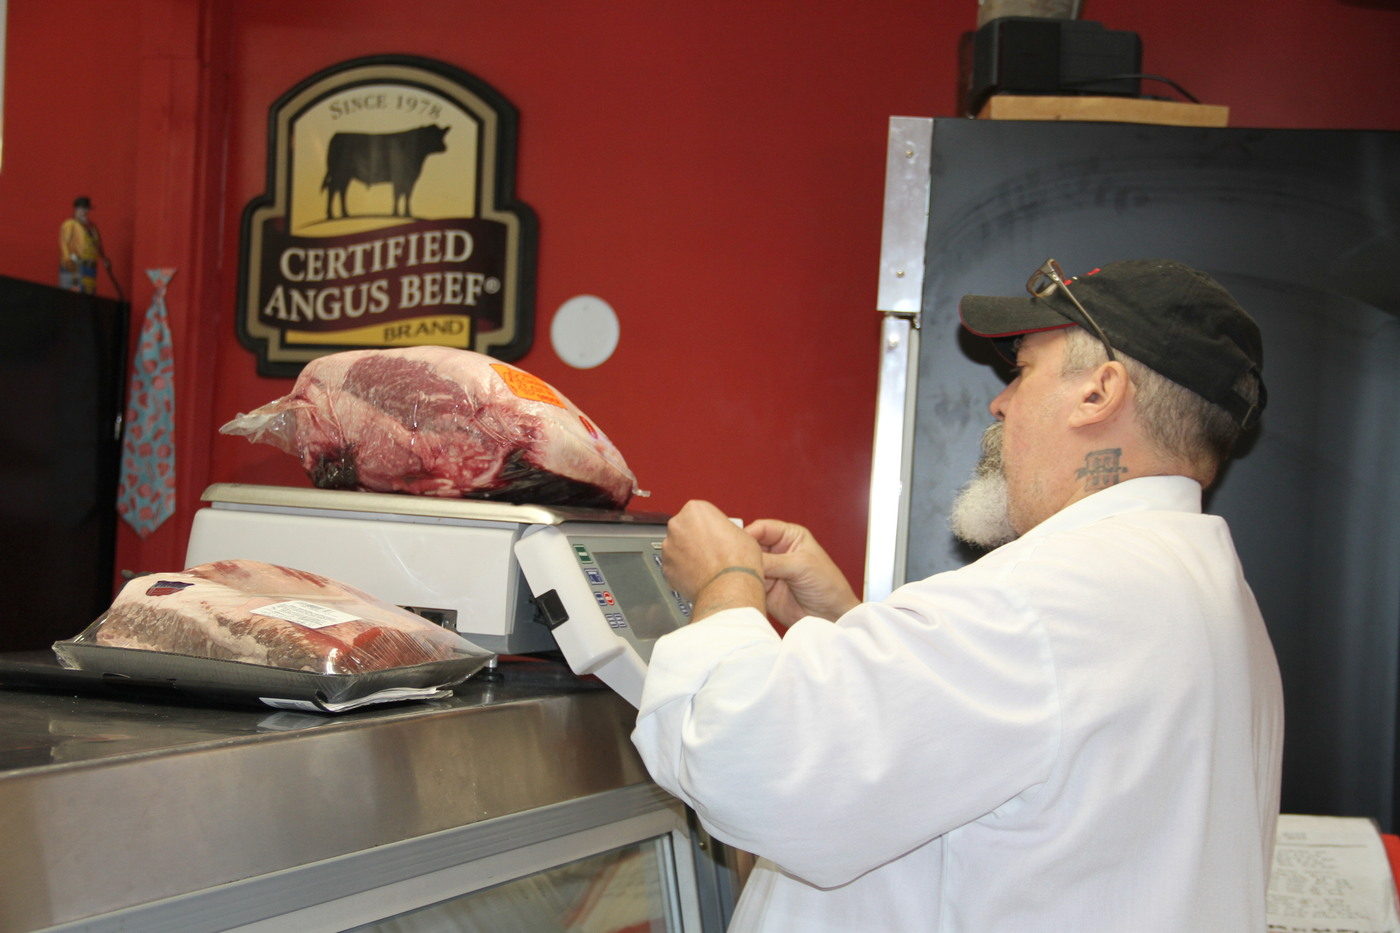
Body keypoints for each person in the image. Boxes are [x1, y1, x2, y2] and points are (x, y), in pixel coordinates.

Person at [631, 258, 1284, 931]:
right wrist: (849, 623)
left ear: (1099, 391)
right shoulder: (1204, 595)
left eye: (1023, 370)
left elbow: (749, 764)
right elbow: (1007, 754)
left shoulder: (1046, 597)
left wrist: (723, 586)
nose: (999, 402)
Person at [59, 196, 109, 294]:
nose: (84, 211)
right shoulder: (70, 224)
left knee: (88, 295)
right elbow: (65, 245)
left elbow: (97, 244)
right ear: (76, 209)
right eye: (81, 208)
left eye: (86, 209)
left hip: (90, 268)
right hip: (75, 265)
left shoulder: (92, 227)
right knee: (73, 295)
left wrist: (104, 258)